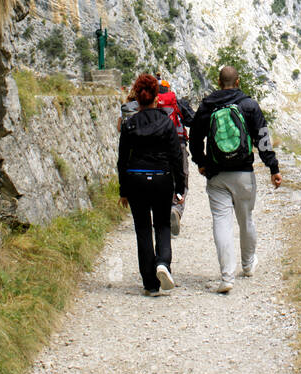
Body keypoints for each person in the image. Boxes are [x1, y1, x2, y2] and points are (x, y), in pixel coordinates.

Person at [189, 65, 281, 293]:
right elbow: (262, 137)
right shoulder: (248, 104)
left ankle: (227, 277)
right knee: (246, 219)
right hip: (243, 173)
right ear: (237, 81)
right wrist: (273, 167)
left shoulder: (208, 105)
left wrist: (201, 162)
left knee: (221, 223)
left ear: (218, 82)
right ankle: (248, 265)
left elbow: (194, 138)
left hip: (217, 175)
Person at [117, 72, 186, 296]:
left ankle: (150, 283)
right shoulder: (166, 123)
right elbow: (176, 157)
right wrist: (179, 187)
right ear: (157, 97)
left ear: (137, 97)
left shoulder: (129, 124)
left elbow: (122, 160)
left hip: (135, 178)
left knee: (143, 229)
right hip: (161, 178)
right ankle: (163, 263)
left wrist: (123, 190)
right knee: (163, 225)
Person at [156, 80, 190, 236]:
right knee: (181, 179)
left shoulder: (152, 103)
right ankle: (176, 209)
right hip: (178, 145)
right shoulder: (177, 102)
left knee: (161, 179)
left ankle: (162, 214)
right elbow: (192, 119)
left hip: (157, 148)